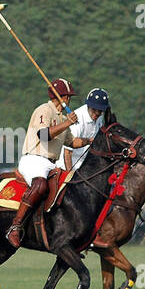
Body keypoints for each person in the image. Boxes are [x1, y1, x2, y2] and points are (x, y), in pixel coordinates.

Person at [8, 78, 76, 247]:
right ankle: (15, 227)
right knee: (40, 185)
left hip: (52, 164)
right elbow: (43, 135)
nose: (70, 100)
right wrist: (68, 122)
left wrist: (92, 140)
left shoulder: (62, 117)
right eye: (69, 97)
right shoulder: (44, 110)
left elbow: (73, 142)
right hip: (34, 160)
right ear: (63, 98)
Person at [57, 88, 110, 174]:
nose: (96, 113)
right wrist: (69, 176)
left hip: (85, 166)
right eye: (94, 110)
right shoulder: (77, 119)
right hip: (66, 166)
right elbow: (67, 152)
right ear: (88, 106)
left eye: (100, 111)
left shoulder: (99, 117)